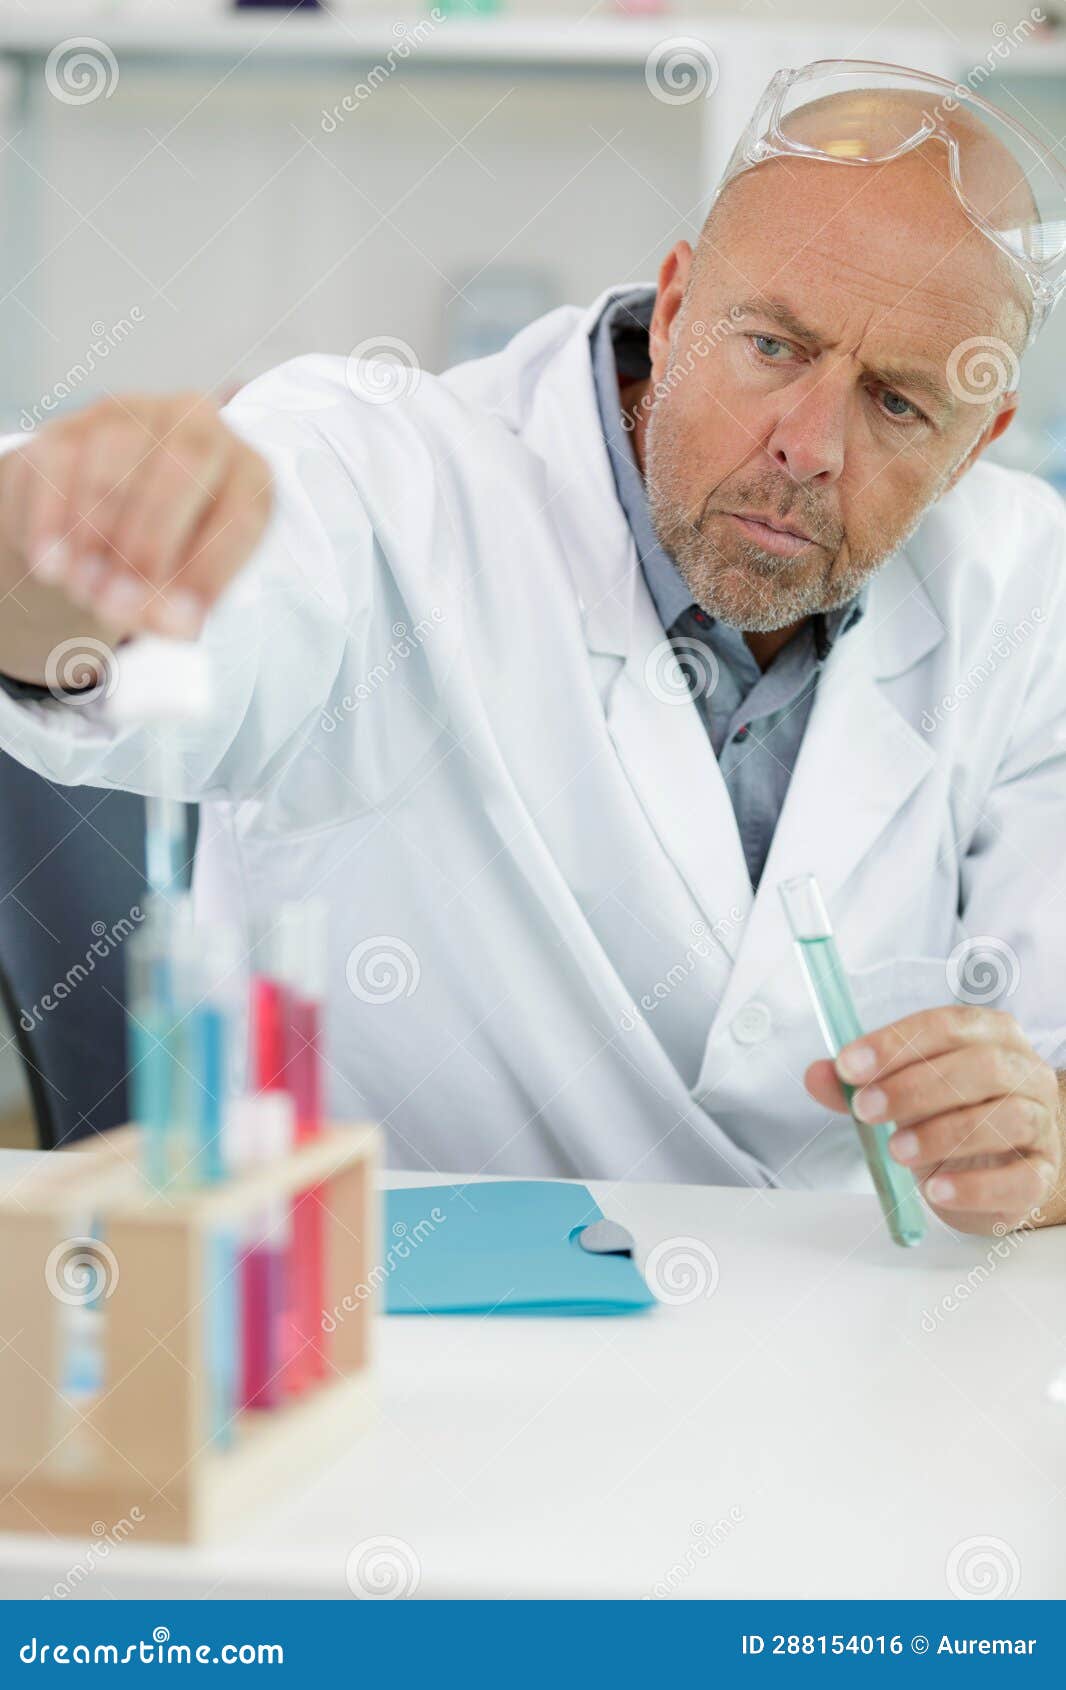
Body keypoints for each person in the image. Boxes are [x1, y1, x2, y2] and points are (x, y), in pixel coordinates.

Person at [0, 62, 1064, 1235]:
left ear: (978, 443)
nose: (808, 444)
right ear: (674, 308)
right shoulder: (386, 476)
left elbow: (1048, 1074)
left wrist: (1037, 1143)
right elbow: (150, 650)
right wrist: (53, 542)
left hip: (862, 1353)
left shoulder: (1022, 587)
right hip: (418, 1359)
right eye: (769, 346)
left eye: (898, 405)